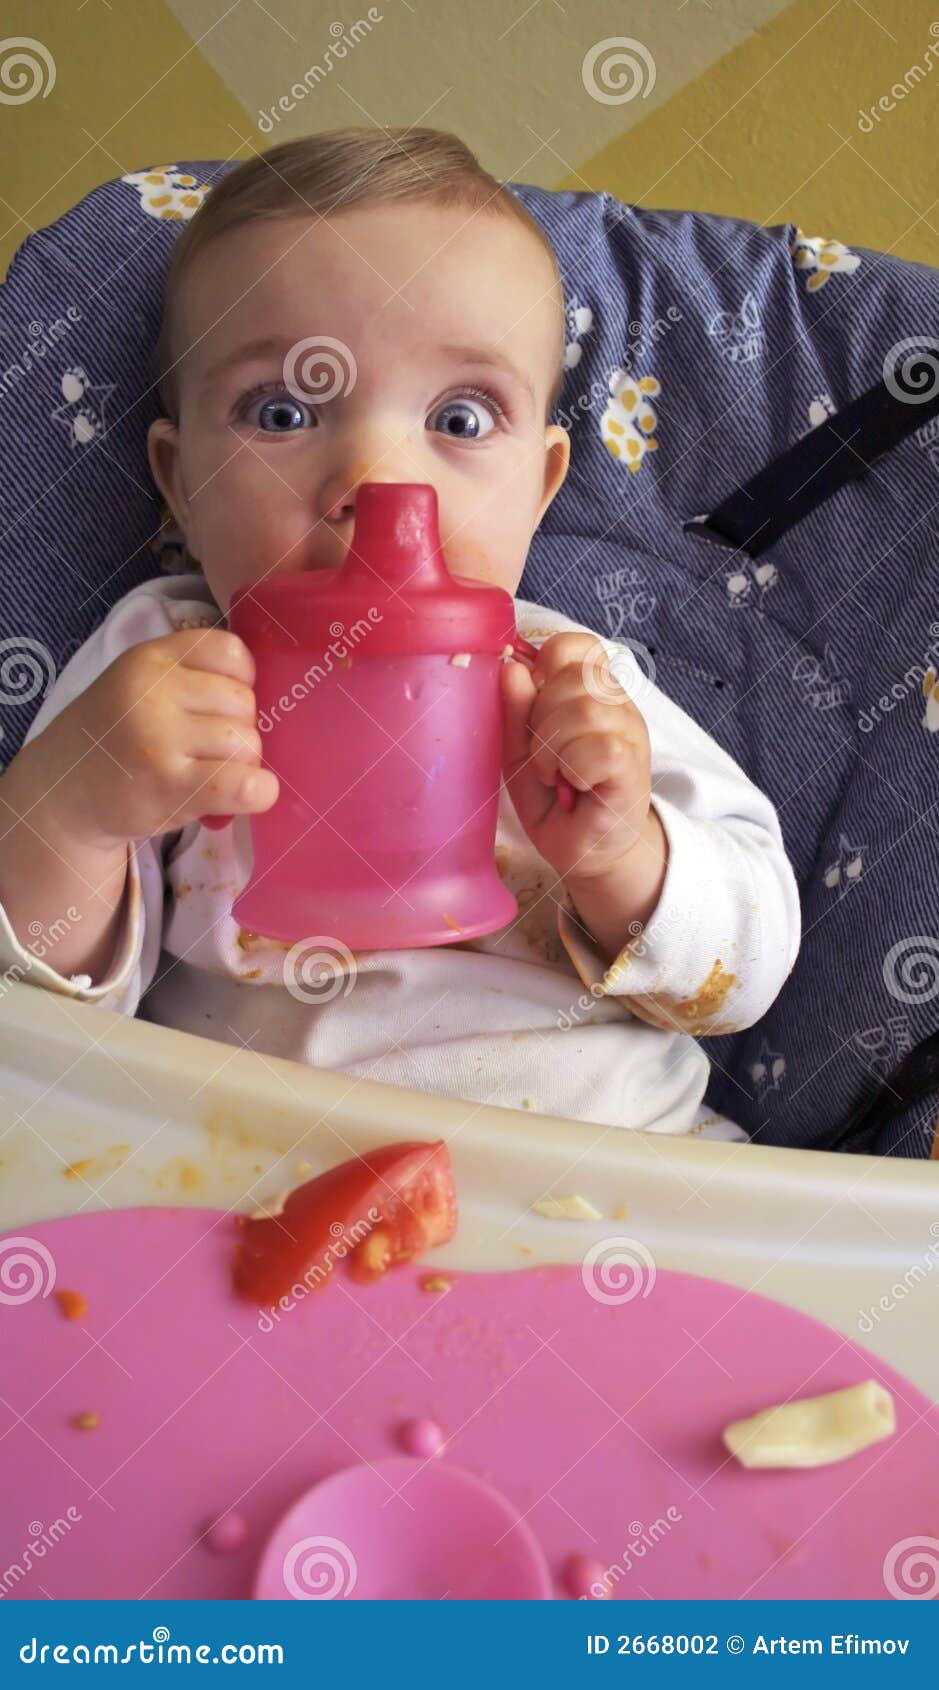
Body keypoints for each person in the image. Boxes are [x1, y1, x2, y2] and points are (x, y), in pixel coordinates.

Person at [0, 128, 800, 1141]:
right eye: (284, 410)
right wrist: (68, 815)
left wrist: (621, 854)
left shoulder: (569, 685)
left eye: (461, 421)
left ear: (541, 486)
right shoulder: (158, 667)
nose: (378, 480)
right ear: (180, 482)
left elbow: (747, 975)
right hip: (238, 1196)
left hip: (608, 1193)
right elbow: (41, 1030)